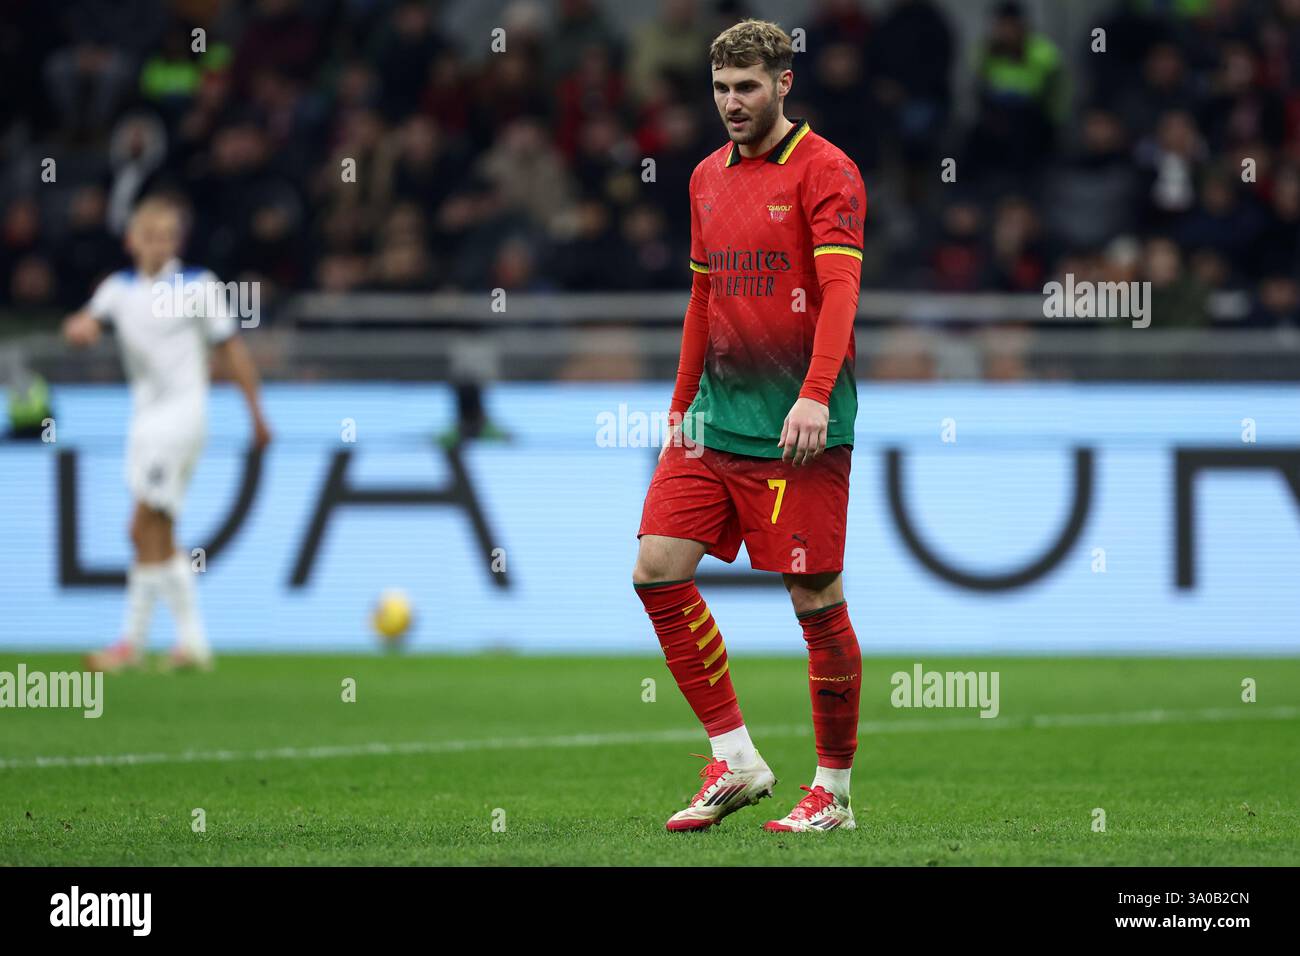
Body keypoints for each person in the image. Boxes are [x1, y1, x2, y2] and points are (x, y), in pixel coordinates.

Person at [633, 19, 866, 833]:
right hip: (714, 418)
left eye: (748, 88)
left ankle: (832, 793)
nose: (733, 103)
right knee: (656, 568)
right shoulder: (702, 178)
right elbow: (702, 299)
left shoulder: (827, 171)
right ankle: (734, 758)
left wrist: (814, 392)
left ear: (783, 84)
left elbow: (839, 293)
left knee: (813, 597)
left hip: (797, 423)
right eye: (722, 88)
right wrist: (678, 406)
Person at [62, 194, 272, 672]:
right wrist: (78, 328)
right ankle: (192, 643)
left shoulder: (199, 286)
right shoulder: (118, 288)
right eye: (149, 236)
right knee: (158, 531)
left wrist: (256, 413)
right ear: (130, 240)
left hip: (182, 419)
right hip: (143, 420)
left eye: (167, 236)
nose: (158, 244)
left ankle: (129, 644)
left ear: (177, 241)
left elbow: (231, 350)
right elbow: (87, 321)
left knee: (140, 526)